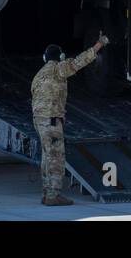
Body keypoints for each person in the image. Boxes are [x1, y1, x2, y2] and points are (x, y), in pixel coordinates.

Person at [32, 34, 108, 206]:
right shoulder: (59, 69)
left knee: (46, 157)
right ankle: (53, 195)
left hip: (39, 120)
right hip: (51, 121)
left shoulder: (39, 75)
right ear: (60, 57)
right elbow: (79, 62)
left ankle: (47, 193)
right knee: (56, 158)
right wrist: (98, 45)